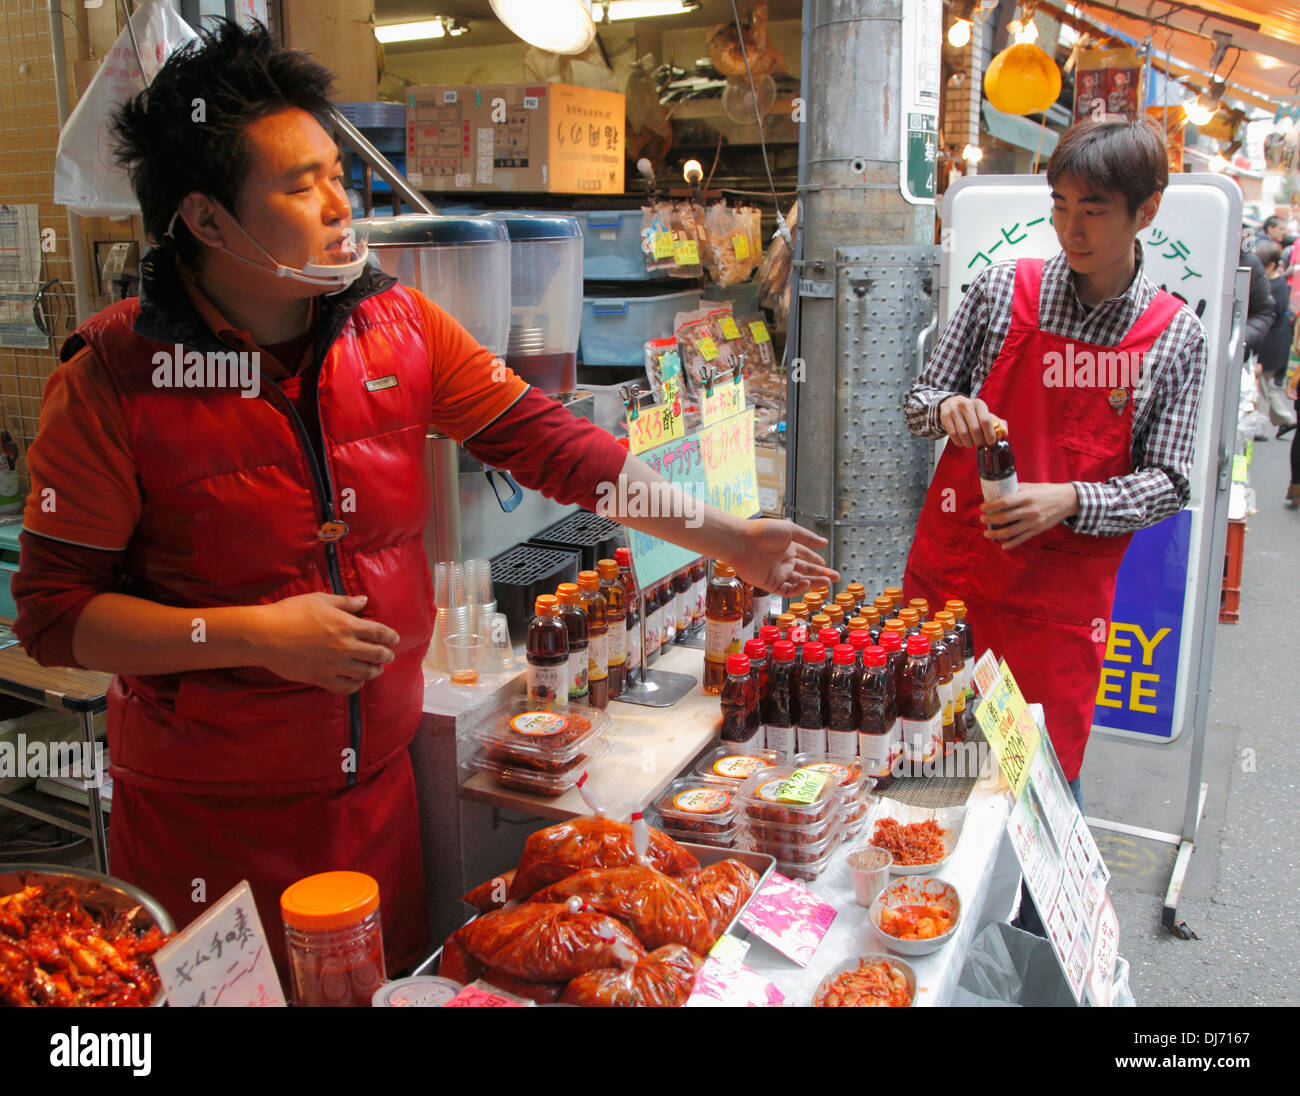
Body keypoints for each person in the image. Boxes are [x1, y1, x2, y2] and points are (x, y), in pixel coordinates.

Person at [13, 21, 837, 978]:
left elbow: (556, 446)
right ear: (203, 219)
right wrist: (253, 635)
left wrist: (730, 537)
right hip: (209, 817)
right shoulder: (114, 378)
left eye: (336, 171)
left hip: (373, 801)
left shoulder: (394, 327)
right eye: (299, 185)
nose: (339, 203)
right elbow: (57, 620)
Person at [902, 119, 1208, 929]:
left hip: (1056, 613)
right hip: (951, 588)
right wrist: (952, 411)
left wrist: (1067, 499)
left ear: (1146, 211)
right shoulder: (1004, 291)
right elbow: (918, 402)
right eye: (1060, 205)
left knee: (1035, 801)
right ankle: (915, 945)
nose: (1072, 229)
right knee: (920, 777)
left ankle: (1037, 961)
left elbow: (1172, 482)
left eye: (1095, 210)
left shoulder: (1172, 335)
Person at [1254, 239, 1297, 439]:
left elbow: (1269, 324)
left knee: (1263, 386)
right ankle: (1285, 419)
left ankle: (1261, 428)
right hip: (1276, 345)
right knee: (1266, 386)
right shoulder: (1278, 285)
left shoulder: (1274, 288)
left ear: (1271, 265)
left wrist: (1259, 355)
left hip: (1270, 346)